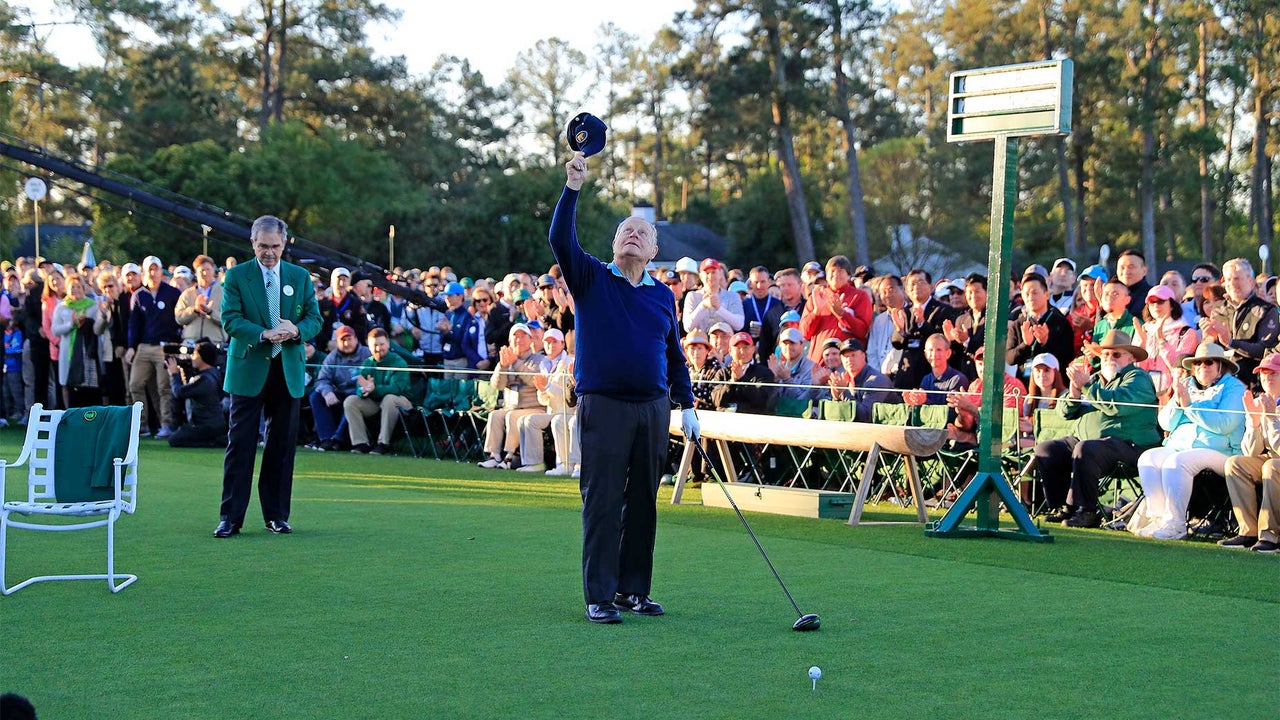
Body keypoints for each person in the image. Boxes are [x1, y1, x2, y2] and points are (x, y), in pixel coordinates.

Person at [551, 149, 697, 625]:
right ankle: (599, 594)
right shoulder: (591, 277)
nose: (633, 235)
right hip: (605, 405)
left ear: (655, 251)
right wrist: (573, 188)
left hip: (653, 408)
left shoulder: (662, 297)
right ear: (614, 246)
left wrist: (687, 405)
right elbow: (559, 239)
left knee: (643, 503)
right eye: (625, 231)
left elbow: (674, 356)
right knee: (603, 499)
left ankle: (633, 590)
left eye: (643, 233)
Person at [215, 215, 322, 538]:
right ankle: (230, 518)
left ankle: (276, 515)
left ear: (284, 243)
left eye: (275, 246)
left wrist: (296, 330)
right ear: (252, 243)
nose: (269, 252)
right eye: (263, 246)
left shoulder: (300, 277)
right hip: (249, 367)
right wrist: (264, 334)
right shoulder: (236, 276)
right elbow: (230, 320)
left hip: (287, 369)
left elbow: (315, 319)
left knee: (282, 446)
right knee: (240, 444)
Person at [1036, 331, 1161, 528]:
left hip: (1130, 445)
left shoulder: (1138, 378)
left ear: (1131, 358)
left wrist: (1085, 386)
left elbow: (1117, 405)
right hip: (1090, 441)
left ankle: (1087, 511)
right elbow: (1064, 412)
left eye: (1116, 354)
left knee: (1086, 449)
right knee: (1047, 449)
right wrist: (1075, 393)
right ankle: (1064, 507)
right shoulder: (1094, 379)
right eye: (1105, 354)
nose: (1109, 358)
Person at [1127, 342, 1245, 540]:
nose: (1201, 367)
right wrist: (1178, 403)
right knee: (1149, 458)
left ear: (1221, 366)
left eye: (1208, 362)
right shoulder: (1187, 385)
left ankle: (1176, 524)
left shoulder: (1234, 388)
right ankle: (1158, 519)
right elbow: (1165, 423)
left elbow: (1225, 424)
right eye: (1197, 363)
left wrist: (1190, 407)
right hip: (1181, 447)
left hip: (1222, 452)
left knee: (1177, 462)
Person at [1220, 352, 1280, 553]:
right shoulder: (1262, 401)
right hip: (1271, 458)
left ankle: (1271, 535)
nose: (1267, 378)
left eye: (1273, 373)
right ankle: (1249, 531)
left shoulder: (1270, 406)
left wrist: (1271, 419)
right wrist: (1254, 423)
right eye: (1263, 374)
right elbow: (1250, 451)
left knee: (1272, 467)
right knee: (1236, 463)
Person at [476, 323, 545, 469]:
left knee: (511, 416)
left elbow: (533, 380)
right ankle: (494, 455)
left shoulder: (539, 359)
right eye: (515, 336)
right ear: (509, 341)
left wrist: (515, 362)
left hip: (534, 407)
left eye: (523, 336)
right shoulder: (507, 360)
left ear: (530, 339)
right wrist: (503, 366)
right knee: (495, 415)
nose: (519, 340)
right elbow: (497, 385)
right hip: (511, 406)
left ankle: (509, 456)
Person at [1200, 258, 1278, 388]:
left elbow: (1265, 350)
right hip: (1219, 382)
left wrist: (1231, 342)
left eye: (1237, 278)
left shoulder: (1266, 310)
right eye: (1228, 279)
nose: (1232, 283)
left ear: (1250, 281)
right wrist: (1211, 339)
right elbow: (1210, 350)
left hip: (1251, 382)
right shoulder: (1219, 309)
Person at [127, 256, 182, 437]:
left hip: (165, 346)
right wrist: (131, 347)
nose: (153, 273)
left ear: (161, 271)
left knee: (163, 387)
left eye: (155, 269)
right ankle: (140, 425)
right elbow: (134, 324)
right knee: (135, 384)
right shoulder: (139, 295)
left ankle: (165, 424)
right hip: (144, 346)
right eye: (149, 269)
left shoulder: (172, 293)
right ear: (144, 272)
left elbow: (179, 320)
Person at [343, 327, 412, 456]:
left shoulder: (399, 362)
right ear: (368, 346)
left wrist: (375, 389)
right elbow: (359, 386)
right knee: (350, 401)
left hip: (402, 401)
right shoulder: (367, 363)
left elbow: (397, 389)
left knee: (389, 399)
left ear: (388, 343)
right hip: (375, 401)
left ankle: (383, 444)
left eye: (382, 344)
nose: (378, 348)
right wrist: (363, 390)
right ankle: (361, 443)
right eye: (374, 345)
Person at [799, 255, 873, 363]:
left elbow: (862, 331)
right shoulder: (816, 296)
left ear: (849, 275)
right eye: (832, 271)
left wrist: (842, 314)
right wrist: (816, 313)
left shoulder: (860, 296)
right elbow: (804, 333)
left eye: (840, 271)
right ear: (826, 275)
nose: (835, 275)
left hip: (848, 363)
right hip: (818, 363)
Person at [309, 324, 371, 451]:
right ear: (337, 342)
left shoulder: (367, 354)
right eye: (343, 340)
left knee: (353, 398)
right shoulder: (332, 357)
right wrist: (327, 393)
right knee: (316, 396)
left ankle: (338, 438)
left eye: (349, 339)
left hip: (360, 392)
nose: (347, 343)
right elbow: (322, 379)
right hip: (340, 392)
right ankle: (327, 438)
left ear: (356, 339)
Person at [52, 273, 108, 408]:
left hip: (88, 351)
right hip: (68, 352)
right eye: (72, 287)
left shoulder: (92, 306)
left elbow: (97, 328)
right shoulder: (62, 307)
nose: (75, 290)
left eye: (78, 287)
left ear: (83, 288)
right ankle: (68, 413)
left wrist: (102, 315)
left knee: (90, 385)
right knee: (66, 383)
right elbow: (55, 330)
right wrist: (71, 324)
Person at [1136, 285, 1200, 395]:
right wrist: (1142, 345)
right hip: (1145, 393)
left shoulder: (1186, 332)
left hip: (1172, 394)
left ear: (1171, 305)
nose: (1156, 305)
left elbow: (1179, 368)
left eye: (1160, 301)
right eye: (1152, 302)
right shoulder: (1144, 330)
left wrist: (1161, 340)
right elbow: (1137, 370)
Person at [165, 342, 227, 448]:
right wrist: (183, 370)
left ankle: (213, 443)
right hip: (214, 424)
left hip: (205, 425)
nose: (192, 358)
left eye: (194, 354)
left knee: (174, 440)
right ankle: (215, 440)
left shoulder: (204, 379)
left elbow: (179, 393)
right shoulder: (214, 373)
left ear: (201, 357)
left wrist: (174, 374)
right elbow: (189, 389)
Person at [826, 337, 892, 422]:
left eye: (853, 355)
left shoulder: (877, 380)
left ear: (863, 356)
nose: (849, 359)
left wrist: (843, 392)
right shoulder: (844, 379)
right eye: (845, 356)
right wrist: (836, 397)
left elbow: (865, 416)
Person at [174, 254, 227, 345]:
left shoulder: (224, 292)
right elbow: (179, 318)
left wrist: (210, 312)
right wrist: (194, 310)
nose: (205, 273)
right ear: (196, 273)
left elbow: (227, 319)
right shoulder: (187, 294)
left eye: (208, 269)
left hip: (215, 342)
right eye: (202, 270)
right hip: (191, 343)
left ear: (213, 270)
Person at [683, 257, 744, 335]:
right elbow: (688, 327)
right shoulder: (692, 296)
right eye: (707, 273)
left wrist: (719, 308)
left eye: (713, 272)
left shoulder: (733, 296)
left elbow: (739, 325)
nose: (710, 276)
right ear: (701, 276)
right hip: (700, 343)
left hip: (724, 342)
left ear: (719, 274)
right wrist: (703, 306)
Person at [1115, 249, 1152, 318]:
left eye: (1131, 267)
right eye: (1122, 268)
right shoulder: (1111, 295)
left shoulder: (1152, 296)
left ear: (1144, 271)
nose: (1126, 272)